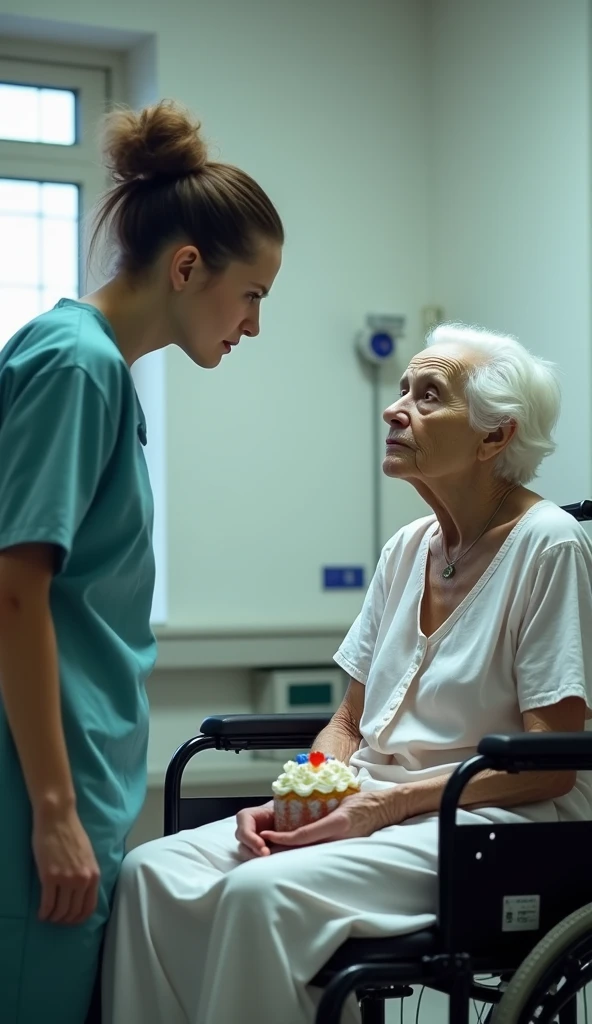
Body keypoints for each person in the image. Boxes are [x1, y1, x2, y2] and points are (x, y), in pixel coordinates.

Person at [102, 323, 592, 1024]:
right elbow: (347, 723)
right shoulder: (406, 550)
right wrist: (303, 796)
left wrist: (379, 807)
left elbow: (551, 766)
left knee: (258, 895)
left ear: (495, 437)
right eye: (402, 392)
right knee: (148, 875)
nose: (396, 410)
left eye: (429, 397)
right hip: (377, 803)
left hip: (490, 822)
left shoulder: (549, 547)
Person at [0, 99, 283, 1024]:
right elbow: (13, 593)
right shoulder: (76, 366)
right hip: (35, 791)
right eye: (252, 296)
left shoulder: (96, 372)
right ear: (188, 265)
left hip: (74, 780)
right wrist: (50, 810)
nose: (252, 328)